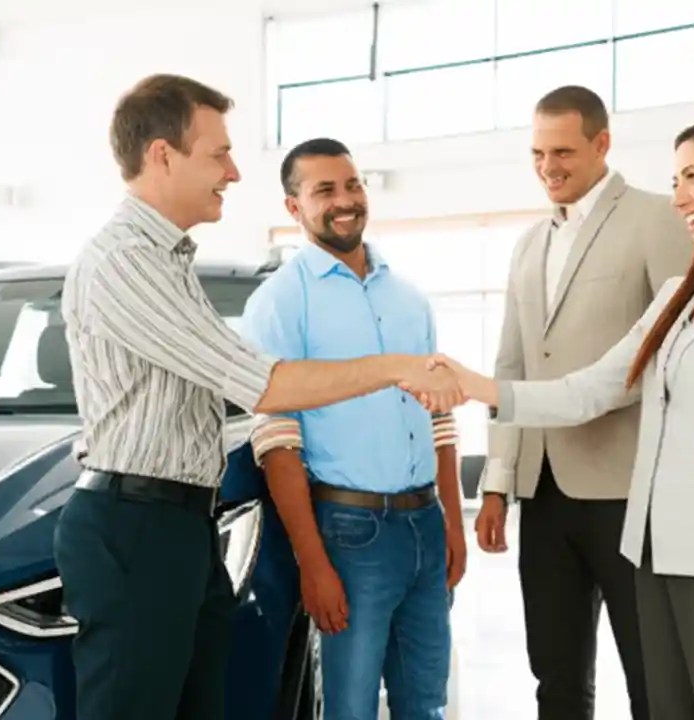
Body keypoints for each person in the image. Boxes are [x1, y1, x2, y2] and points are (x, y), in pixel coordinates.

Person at [54, 74, 463, 720]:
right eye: (218, 153)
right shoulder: (125, 262)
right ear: (163, 155)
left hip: (183, 524)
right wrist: (396, 369)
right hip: (136, 527)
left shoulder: (168, 261)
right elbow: (264, 385)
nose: (234, 172)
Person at [421, 112, 694, 720]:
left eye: (693, 176)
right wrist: (478, 386)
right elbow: (589, 391)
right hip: (655, 559)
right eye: (675, 181)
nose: (679, 198)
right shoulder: (678, 297)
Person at [472, 85, 691, 719]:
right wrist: (497, 482)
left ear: (602, 143)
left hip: (628, 490)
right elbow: (511, 365)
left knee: (652, 676)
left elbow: (675, 354)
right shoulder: (527, 244)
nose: (548, 167)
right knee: (556, 676)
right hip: (542, 495)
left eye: (563, 152)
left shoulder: (657, 219)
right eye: (537, 154)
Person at [238, 137, 465, 720]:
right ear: (294, 207)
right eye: (325, 190)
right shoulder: (280, 302)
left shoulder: (409, 297)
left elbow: (438, 415)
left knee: (427, 704)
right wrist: (312, 563)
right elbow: (276, 441)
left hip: (425, 521)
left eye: (353, 184)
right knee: (351, 709)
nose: (345, 200)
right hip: (350, 533)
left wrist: (452, 521)